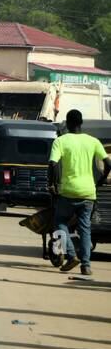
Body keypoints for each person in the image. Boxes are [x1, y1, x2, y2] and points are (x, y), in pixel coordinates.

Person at [48, 109, 108, 276]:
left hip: (68, 191)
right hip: (89, 192)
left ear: (67, 123)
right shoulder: (93, 141)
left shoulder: (61, 141)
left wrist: (51, 185)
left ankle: (71, 255)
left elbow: (52, 164)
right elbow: (108, 164)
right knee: (85, 228)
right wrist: (100, 182)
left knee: (60, 222)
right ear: (81, 124)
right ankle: (86, 266)